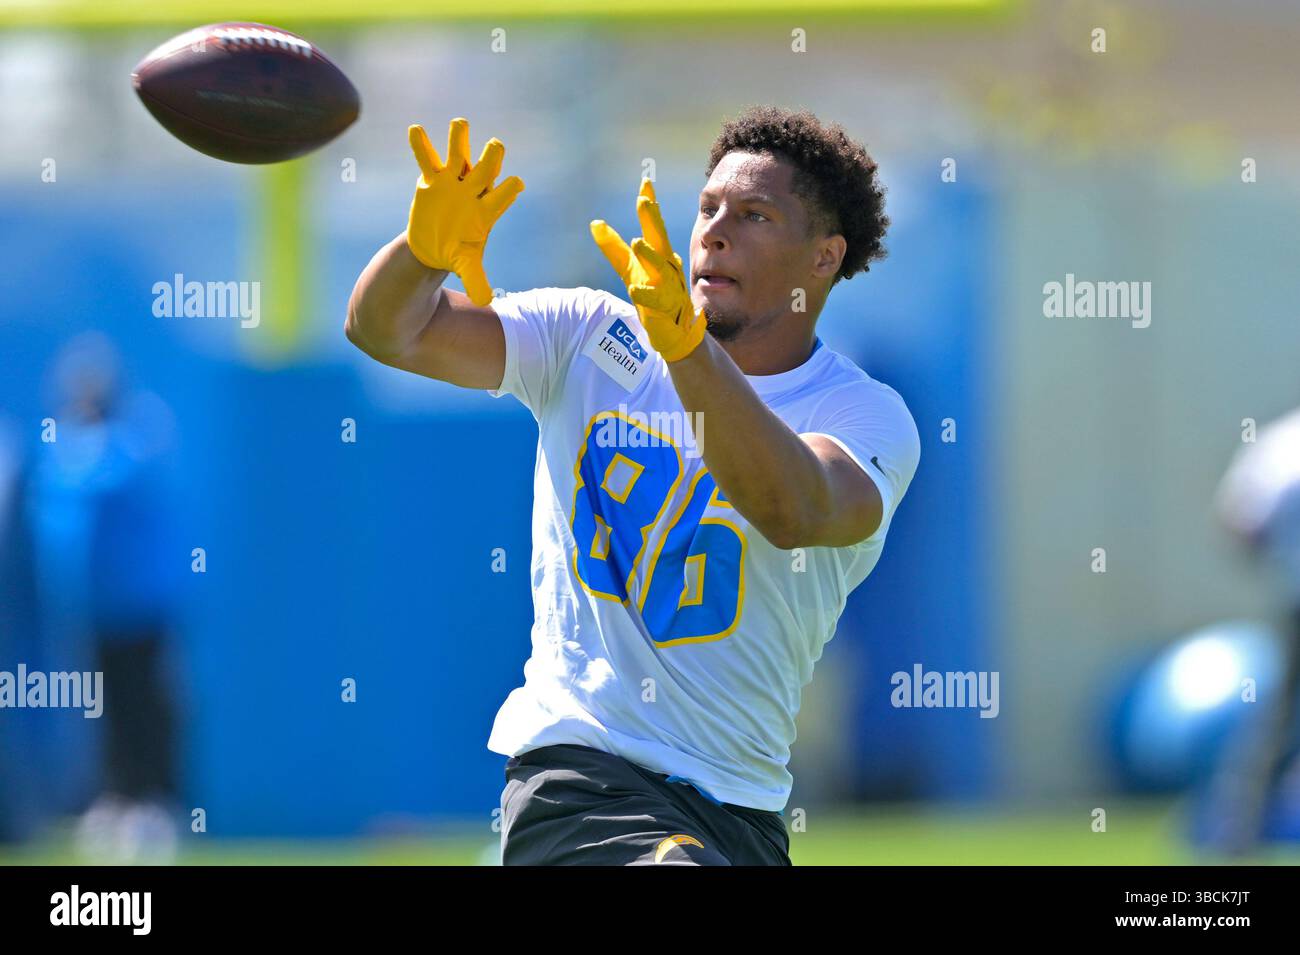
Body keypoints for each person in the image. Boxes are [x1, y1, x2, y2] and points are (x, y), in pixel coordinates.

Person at [347, 106, 920, 865]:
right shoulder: (588, 335)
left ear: (824, 258)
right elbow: (390, 331)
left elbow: (792, 506)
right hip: (583, 779)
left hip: (743, 812)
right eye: (707, 208)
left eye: (754, 215)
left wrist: (685, 350)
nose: (715, 232)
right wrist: (421, 254)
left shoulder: (865, 413)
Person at [1212, 406, 1300, 852]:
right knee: (1278, 724)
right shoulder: (1286, 443)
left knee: (1278, 723)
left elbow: (1241, 519)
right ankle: (1237, 834)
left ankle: (1237, 836)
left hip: (1294, 595)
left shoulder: (1280, 443)